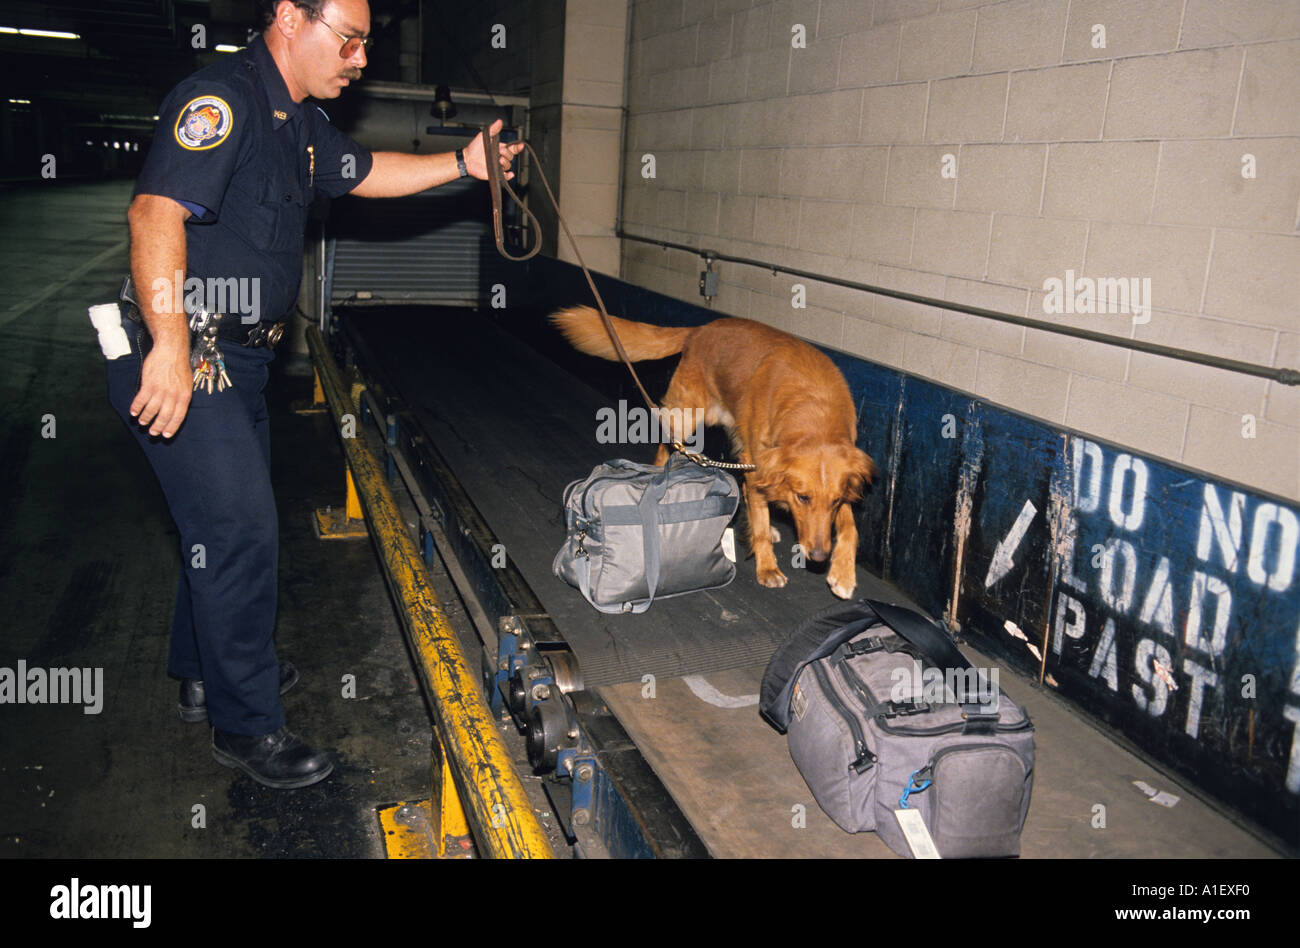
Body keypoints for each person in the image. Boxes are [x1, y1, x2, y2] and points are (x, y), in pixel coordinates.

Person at [109, 0, 522, 789]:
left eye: (367, 43)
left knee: (217, 523)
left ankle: (205, 673)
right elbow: (153, 211)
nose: (362, 59)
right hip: (187, 348)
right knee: (240, 533)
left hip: (241, 360)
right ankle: (246, 724)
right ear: (291, 18)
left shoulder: (298, 120)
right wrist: (165, 343)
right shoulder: (223, 98)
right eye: (351, 39)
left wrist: (463, 167)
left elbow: (364, 174)